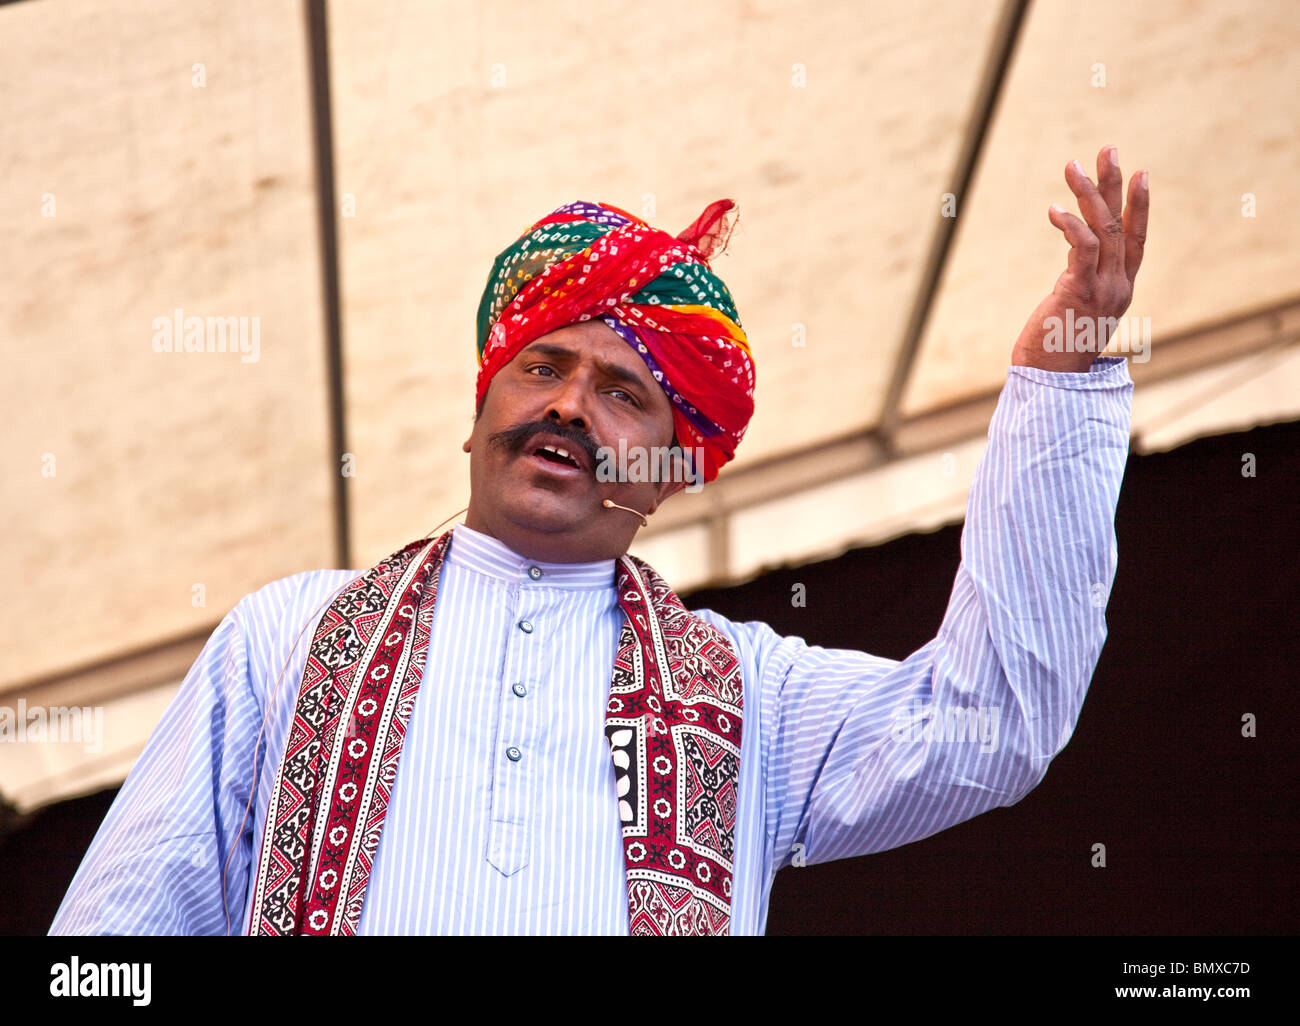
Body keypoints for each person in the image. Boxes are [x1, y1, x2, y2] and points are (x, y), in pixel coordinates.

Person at [50, 146, 1149, 935]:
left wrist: (1063, 384)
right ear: (479, 407)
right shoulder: (287, 632)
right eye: (542, 365)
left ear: (679, 469)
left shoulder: (746, 693)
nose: (570, 406)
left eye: (624, 391)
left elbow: (992, 719)